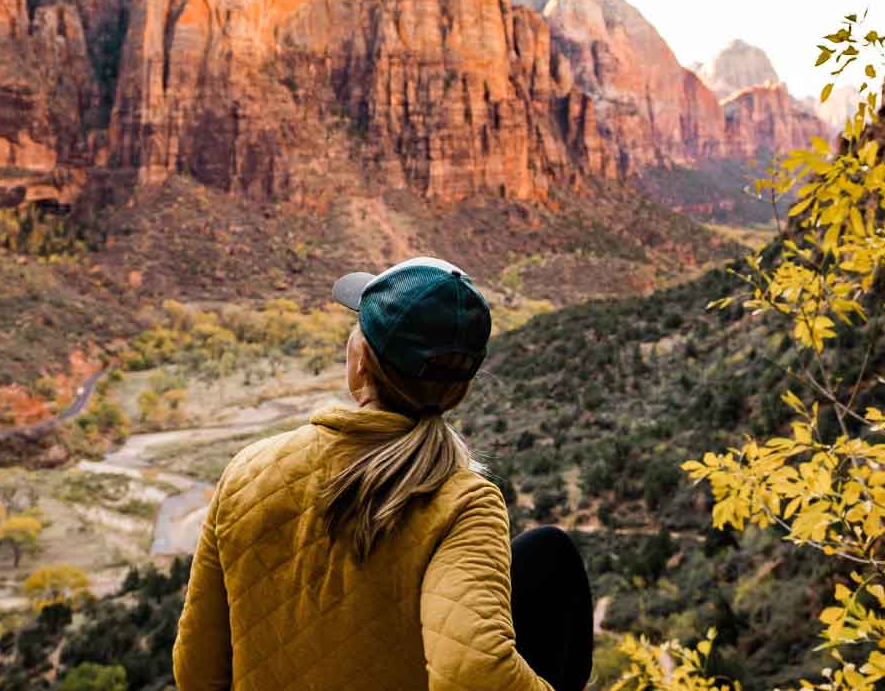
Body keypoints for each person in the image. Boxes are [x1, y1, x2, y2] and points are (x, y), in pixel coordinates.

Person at [172, 256, 593, 691]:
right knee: (549, 558)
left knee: (544, 556)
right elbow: (472, 672)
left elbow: (196, 672)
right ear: (459, 389)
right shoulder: (461, 500)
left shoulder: (249, 469)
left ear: (360, 362)